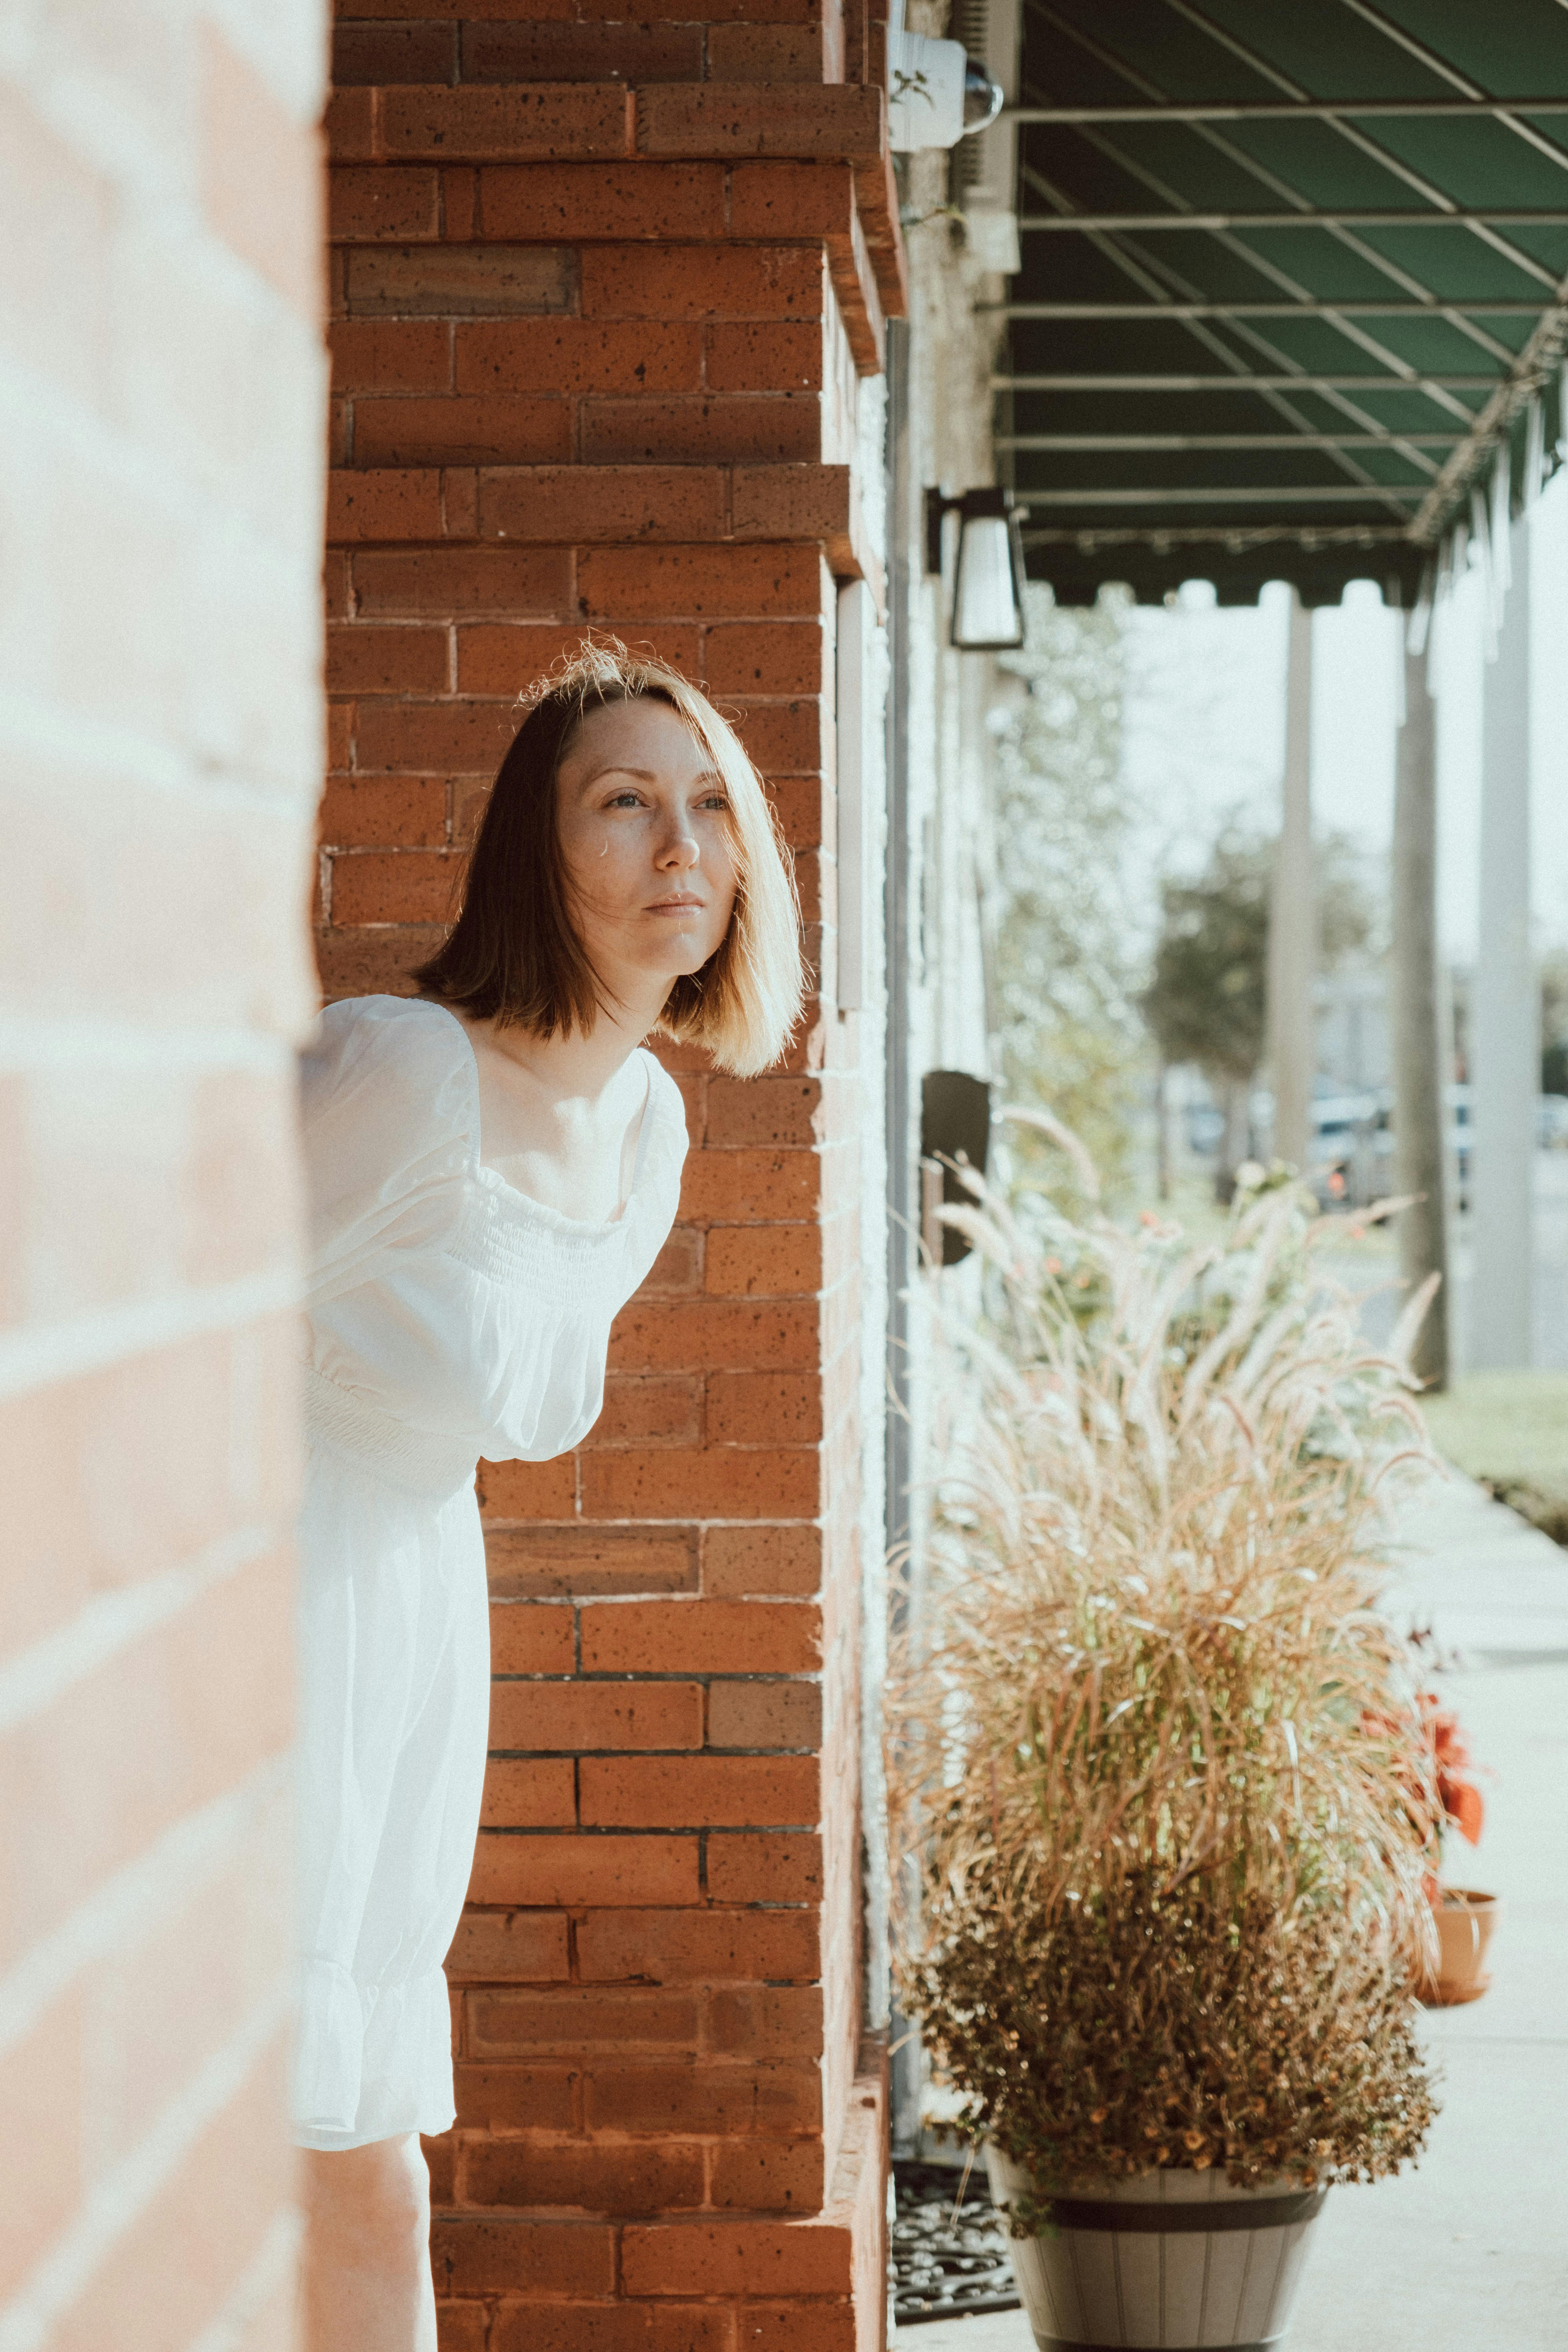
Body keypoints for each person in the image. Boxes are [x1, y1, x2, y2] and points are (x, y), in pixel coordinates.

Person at [293, 643, 803, 2349]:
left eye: (712, 801)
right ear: (539, 851)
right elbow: (121, 1293)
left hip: (412, 1622)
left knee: (365, 2131)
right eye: (627, 804)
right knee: (223, 2113)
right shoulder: (405, 1075)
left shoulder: (647, 1127)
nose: (685, 844)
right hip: (263, 1599)